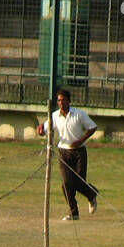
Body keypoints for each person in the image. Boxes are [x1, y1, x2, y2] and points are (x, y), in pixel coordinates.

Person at [40, 89, 98, 221]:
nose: (61, 103)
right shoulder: (54, 116)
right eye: (59, 100)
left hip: (79, 152)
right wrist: (40, 131)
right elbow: (43, 129)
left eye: (63, 100)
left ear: (69, 101)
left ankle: (91, 194)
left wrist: (81, 140)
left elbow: (92, 127)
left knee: (78, 182)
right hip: (63, 152)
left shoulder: (79, 114)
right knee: (66, 184)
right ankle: (74, 213)